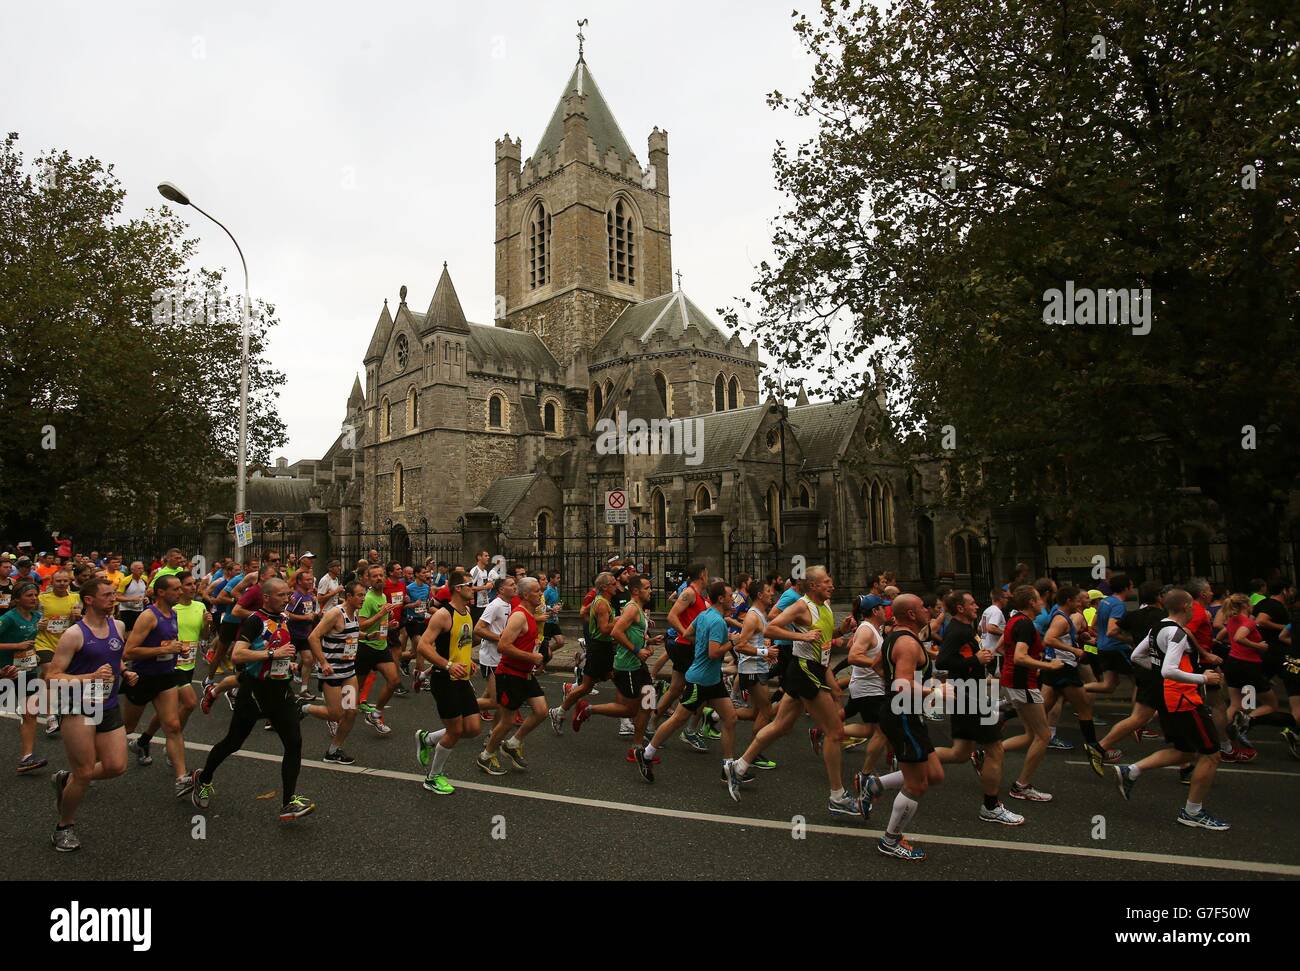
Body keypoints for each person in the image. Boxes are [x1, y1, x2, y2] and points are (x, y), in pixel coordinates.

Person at [725, 566, 858, 816]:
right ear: (813, 586)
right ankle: (837, 796)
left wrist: (843, 631)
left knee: (782, 725)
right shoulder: (802, 605)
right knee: (835, 732)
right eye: (826, 581)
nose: (832, 584)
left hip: (811, 669)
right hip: (806, 670)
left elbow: (825, 638)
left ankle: (739, 767)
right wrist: (801, 637)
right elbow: (771, 628)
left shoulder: (826, 605)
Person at [190, 577, 315, 821]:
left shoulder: (284, 619)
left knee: (294, 742)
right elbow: (237, 655)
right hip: (255, 691)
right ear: (266, 598)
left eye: (288, 594)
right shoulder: (253, 621)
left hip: (281, 690)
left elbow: (278, 648)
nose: (287, 598)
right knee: (233, 743)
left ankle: (289, 802)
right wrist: (272, 654)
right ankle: (203, 778)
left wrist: (287, 662)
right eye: (281, 595)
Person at [1115, 589, 1228, 830]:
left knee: (1185, 751)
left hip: (1169, 699)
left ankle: (1131, 770)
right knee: (1211, 754)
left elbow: (1137, 655)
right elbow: (1168, 670)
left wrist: (1164, 675)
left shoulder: (1157, 627)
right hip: (1184, 700)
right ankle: (1192, 812)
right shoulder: (1176, 633)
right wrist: (1203, 679)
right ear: (1187, 606)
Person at [46, 577, 136, 852]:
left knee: (116, 766)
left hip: (106, 704)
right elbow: (52, 676)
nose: (113, 598)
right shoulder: (74, 634)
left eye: (114, 594)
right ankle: (64, 826)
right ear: (89, 600)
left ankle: (65, 780)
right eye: (107, 594)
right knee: (84, 772)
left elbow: (114, 657)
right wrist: (90, 677)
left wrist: (124, 671)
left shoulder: (117, 626)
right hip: (76, 706)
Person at [858, 593, 944, 860]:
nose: (928, 610)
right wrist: (935, 692)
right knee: (917, 785)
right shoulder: (907, 643)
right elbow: (902, 685)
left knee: (935, 774)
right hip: (902, 715)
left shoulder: (897, 638)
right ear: (911, 614)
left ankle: (875, 785)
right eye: (923, 607)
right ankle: (890, 840)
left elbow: (877, 665)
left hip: (905, 713)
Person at [928, 590, 1024, 825]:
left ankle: (914, 756)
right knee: (995, 749)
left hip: (969, 693)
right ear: (960, 608)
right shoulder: (957, 631)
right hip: (969, 696)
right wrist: (976, 661)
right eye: (971, 603)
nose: (976, 605)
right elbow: (942, 661)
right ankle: (991, 807)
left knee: (960, 753)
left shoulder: (965, 629)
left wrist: (982, 667)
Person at [641, 580, 742, 800]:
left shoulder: (704, 615)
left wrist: (704, 643)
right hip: (699, 681)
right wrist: (732, 643)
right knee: (677, 720)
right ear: (720, 599)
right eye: (729, 595)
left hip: (712, 681)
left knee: (730, 717)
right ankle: (647, 753)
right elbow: (715, 653)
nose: (733, 599)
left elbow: (686, 634)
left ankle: (728, 766)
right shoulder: (717, 622)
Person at [119, 573, 191, 795]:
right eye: (176, 589)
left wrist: (178, 648)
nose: (181, 592)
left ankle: (182, 778)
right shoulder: (148, 616)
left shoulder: (174, 614)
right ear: (161, 592)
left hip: (165, 677)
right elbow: (129, 652)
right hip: (143, 678)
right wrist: (164, 650)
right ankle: (90, 764)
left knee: (173, 725)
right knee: (126, 728)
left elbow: (167, 643)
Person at [414, 570, 482, 795]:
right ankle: (433, 777)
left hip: (462, 678)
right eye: (470, 585)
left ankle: (428, 738)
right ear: (458, 589)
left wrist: (468, 661)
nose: (473, 588)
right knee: (455, 731)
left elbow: (462, 644)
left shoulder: (467, 611)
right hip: (444, 679)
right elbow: (423, 646)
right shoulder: (443, 615)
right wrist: (447, 665)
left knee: (472, 729)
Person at [998, 585, 1064, 802]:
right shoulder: (1025, 624)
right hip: (1022, 684)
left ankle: (986, 752)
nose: (1043, 602)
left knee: (1030, 735)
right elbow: (1019, 657)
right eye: (1039, 599)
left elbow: (1002, 649)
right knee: (1043, 736)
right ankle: (1021, 786)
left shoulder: (1014, 621)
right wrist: (1048, 666)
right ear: (1031, 603)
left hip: (1013, 682)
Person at [478, 577, 550, 775]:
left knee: (542, 711)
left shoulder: (530, 613)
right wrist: (532, 656)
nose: (540, 594)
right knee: (507, 721)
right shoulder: (519, 616)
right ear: (526, 595)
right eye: (536, 591)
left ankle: (512, 743)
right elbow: (503, 646)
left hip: (525, 673)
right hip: (509, 673)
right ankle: (485, 756)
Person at [304, 579, 366, 764]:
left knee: (351, 712)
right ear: (349, 596)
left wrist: (368, 636)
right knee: (336, 714)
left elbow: (351, 634)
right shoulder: (335, 613)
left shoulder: (355, 613)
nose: (363, 598)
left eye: (364, 594)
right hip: (331, 672)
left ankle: (333, 750)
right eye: (360, 595)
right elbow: (313, 637)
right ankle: (303, 707)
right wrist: (323, 662)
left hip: (348, 671)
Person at [1, 583, 46, 772]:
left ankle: (27, 757)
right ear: (17, 599)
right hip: (5, 671)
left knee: (30, 712)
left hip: (27, 670)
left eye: (36, 595)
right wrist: (16, 646)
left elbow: (30, 641)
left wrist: (32, 652)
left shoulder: (37, 616)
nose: (34, 598)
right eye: (29, 595)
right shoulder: (8, 618)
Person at [355, 564, 399, 734]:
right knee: (354, 689)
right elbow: (361, 625)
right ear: (369, 579)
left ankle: (375, 714)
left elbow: (379, 624)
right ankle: (337, 716)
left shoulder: (383, 597)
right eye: (375, 576)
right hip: (365, 648)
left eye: (381, 575)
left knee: (394, 681)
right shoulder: (368, 599)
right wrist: (381, 615)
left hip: (381, 646)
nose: (379, 578)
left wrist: (390, 625)